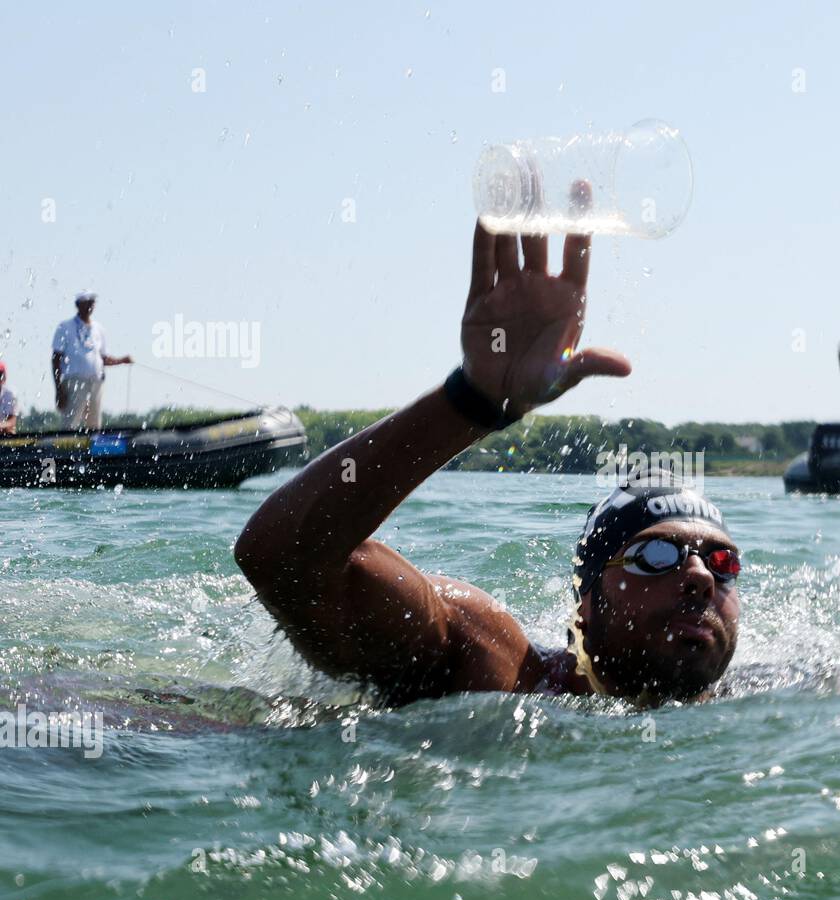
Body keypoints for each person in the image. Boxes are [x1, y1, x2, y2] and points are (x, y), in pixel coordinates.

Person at [234, 222, 742, 707]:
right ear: (585, 606)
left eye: (723, 563)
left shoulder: (768, 695)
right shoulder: (490, 667)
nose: (700, 576)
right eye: (655, 556)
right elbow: (282, 557)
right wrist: (472, 403)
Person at [50, 291, 133, 431]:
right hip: (74, 381)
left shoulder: (99, 329)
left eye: (92, 302)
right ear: (77, 305)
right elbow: (56, 359)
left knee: (94, 425)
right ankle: (65, 451)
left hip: (96, 382)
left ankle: (92, 452)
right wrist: (58, 388)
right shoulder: (65, 327)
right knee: (70, 424)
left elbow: (103, 358)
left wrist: (122, 360)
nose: (90, 305)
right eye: (86, 302)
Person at [0, 362, 17, 436]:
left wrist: (1, 425)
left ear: (4, 377)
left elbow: (12, 422)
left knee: (11, 431)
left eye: (0, 374)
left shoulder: (9, 394)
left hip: (6, 433)